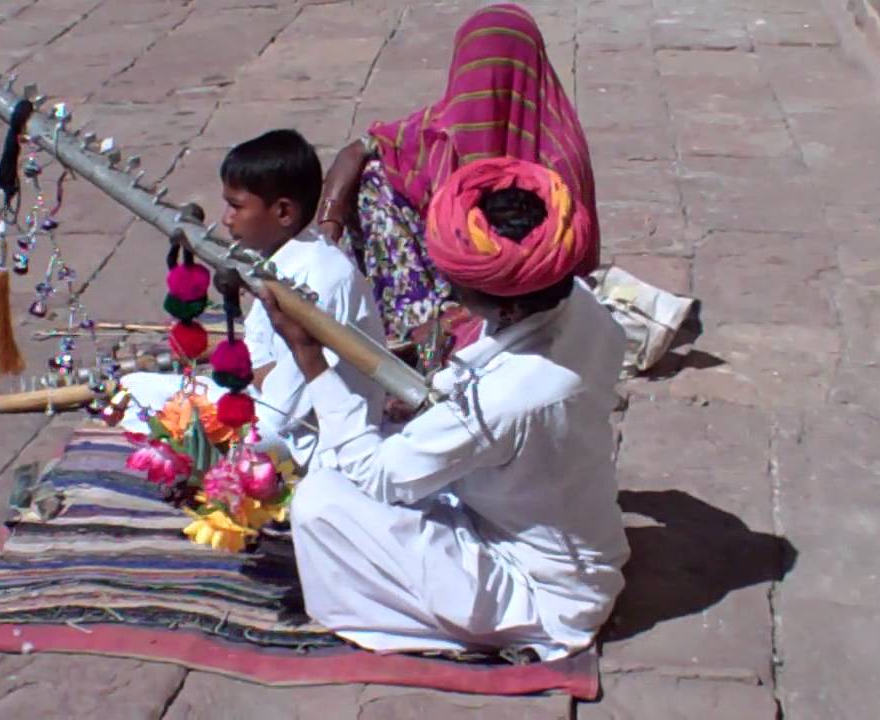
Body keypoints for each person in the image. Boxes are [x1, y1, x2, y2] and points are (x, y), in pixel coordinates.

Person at [255, 155, 629, 662]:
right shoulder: (583, 306)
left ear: (509, 307)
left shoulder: (507, 397)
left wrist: (309, 356)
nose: (446, 292)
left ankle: (421, 621)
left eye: (457, 286)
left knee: (321, 499)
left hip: (541, 594)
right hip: (578, 550)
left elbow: (377, 475)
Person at [317, 3, 599, 349]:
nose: (479, 94)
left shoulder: (556, 157)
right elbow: (359, 150)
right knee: (374, 178)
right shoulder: (444, 123)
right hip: (450, 271)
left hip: (514, 294)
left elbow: (554, 272)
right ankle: (409, 321)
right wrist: (327, 229)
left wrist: (460, 318)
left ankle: (434, 337)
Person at [119, 129, 387, 470]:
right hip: (268, 407)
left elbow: (282, 410)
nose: (227, 217)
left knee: (201, 425)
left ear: (284, 213)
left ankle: (209, 471)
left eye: (236, 206)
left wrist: (253, 375)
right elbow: (261, 361)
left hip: (314, 444)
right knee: (134, 389)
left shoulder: (322, 278)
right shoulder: (274, 260)